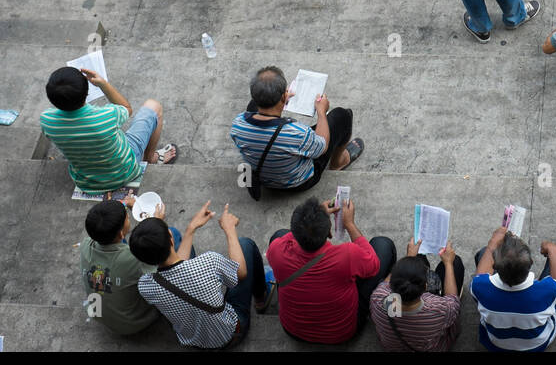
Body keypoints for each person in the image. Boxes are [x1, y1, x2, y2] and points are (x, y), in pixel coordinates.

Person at [130, 201, 268, 349]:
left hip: (193, 341)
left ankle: (260, 298)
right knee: (245, 244)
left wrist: (191, 228)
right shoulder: (209, 262)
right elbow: (240, 273)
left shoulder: (145, 286)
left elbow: (176, 267)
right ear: (170, 238)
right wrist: (230, 230)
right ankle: (261, 298)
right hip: (229, 334)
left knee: (184, 250)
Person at [266, 197, 394, 345]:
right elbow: (374, 265)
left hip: (292, 330)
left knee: (279, 234)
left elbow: (290, 236)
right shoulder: (348, 255)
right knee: (383, 244)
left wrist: (311, 221)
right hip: (341, 333)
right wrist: (349, 224)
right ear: (328, 233)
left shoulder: (276, 250)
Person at [40, 64, 174, 192]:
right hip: (126, 172)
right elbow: (127, 108)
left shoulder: (47, 120)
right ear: (86, 92)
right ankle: (150, 158)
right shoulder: (107, 115)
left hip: (87, 181)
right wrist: (103, 84)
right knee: (154, 106)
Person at [231, 66, 361, 193]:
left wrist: (279, 102)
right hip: (297, 182)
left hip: (261, 178)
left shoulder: (238, 124)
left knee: (252, 107)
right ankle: (338, 162)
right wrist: (321, 112)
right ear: (283, 97)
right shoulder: (298, 133)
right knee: (342, 116)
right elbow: (322, 146)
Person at [471, 225, 556, 351]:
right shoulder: (548, 291)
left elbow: (482, 271)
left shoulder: (479, 286)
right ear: (531, 262)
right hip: (536, 345)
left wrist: (493, 244)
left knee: (484, 253)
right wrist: (552, 249)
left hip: (495, 344)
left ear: (494, 266)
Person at [81, 197, 172, 335]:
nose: (129, 218)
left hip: (97, 313)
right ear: (122, 233)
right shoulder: (132, 258)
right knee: (174, 237)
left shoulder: (86, 244)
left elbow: (114, 234)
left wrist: (127, 206)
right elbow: (158, 265)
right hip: (132, 322)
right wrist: (157, 224)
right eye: (127, 218)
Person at [370, 239, 463, 351]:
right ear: (425, 287)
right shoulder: (439, 310)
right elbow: (453, 300)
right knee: (455, 263)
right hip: (432, 346)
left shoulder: (378, 298)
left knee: (418, 258)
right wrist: (448, 263)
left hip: (393, 346)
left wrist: (409, 256)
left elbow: (385, 284)